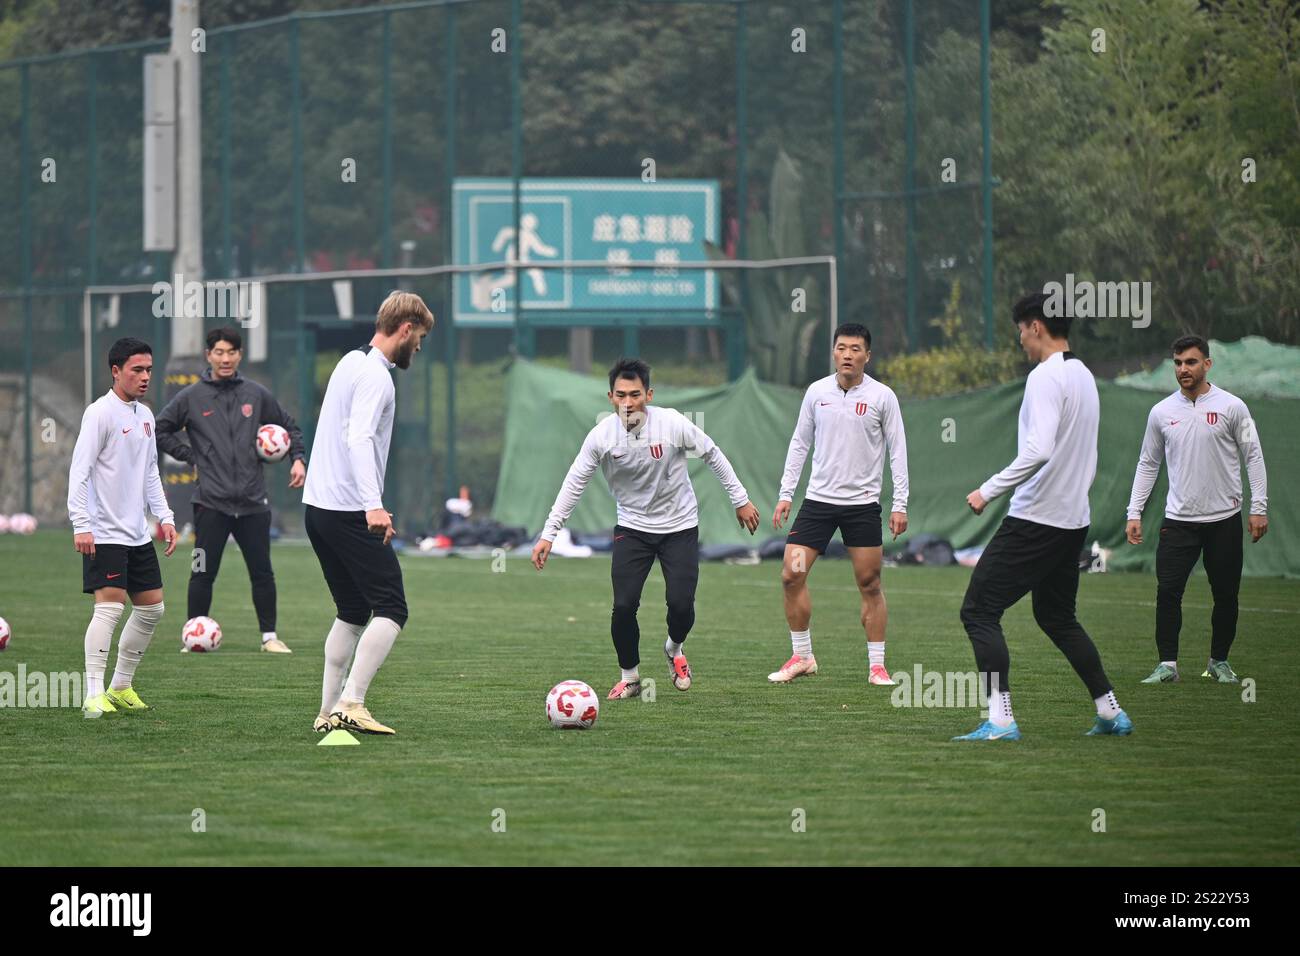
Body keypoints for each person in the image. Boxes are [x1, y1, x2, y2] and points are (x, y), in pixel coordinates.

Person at [955, 292, 1130, 740]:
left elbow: (1039, 449)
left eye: (1020, 330)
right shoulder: (1085, 375)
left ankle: (1001, 720)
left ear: (1035, 326)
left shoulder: (1045, 377)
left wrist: (988, 490)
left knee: (979, 610)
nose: (1020, 341)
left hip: (1036, 520)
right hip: (1073, 521)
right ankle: (1110, 712)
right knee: (1057, 617)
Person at [531, 358, 760, 699]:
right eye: (620, 395)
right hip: (632, 528)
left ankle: (674, 649)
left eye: (635, 394)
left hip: (679, 525)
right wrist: (549, 532)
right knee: (623, 606)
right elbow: (574, 482)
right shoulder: (601, 437)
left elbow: (712, 453)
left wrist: (740, 498)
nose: (627, 403)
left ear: (648, 395)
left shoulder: (672, 425)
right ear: (610, 397)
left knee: (680, 606)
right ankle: (631, 677)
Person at [302, 291, 434, 734]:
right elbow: (359, 438)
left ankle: (326, 713)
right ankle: (352, 702)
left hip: (318, 510)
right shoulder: (378, 376)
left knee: (352, 610)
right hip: (348, 510)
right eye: (419, 338)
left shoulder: (348, 361)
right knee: (392, 607)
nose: (418, 347)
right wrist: (372, 505)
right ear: (406, 328)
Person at [768, 322, 910, 686]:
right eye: (842, 347)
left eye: (856, 349)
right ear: (833, 352)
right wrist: (786, 494)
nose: (848, 354)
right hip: (817, 506)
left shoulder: (883, 397)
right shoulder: (816, 393)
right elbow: (799, 443)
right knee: (791, 573)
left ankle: (877, 665)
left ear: (867, 355)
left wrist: (900, 504)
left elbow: (898, 451)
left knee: (870, 583)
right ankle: (802, 656)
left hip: (862, 508)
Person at [1125, 334, 1268, 685]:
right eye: (1177, 363)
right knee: (1168, 592)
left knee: (1226, 596)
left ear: (1207, 364)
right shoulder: (1160, 412)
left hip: (1224, 520)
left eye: (1190, 362)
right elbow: (1148, 463)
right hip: (1178, 522)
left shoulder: (1234, 407)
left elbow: (1253, 456)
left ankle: (1219, 662)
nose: (1183, 369)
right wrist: (1134, 511)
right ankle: (1167, 666)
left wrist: (1259, 507)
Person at [155, 326, 306, 653]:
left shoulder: (256, 394)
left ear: (240, 355)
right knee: (202, 572)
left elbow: (289, 426)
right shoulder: (191, 397)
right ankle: (194, 634)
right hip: (210, 503)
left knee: (262, 573)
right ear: (208, 355)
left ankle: (270, 638)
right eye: (219, 352)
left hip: (253, 503)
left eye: (231, 352)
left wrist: (297, 459)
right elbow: (160, 429)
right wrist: (189, 455)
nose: (225, 359)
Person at [68, 337, 178, 716]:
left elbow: (150, 473)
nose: (145, 376)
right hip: (104, 532)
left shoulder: (145, 416)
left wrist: (165, 517)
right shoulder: (99, 413)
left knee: (152, 609)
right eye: (137, 369)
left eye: (149, 369)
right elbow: (79, 472)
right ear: (116, 371)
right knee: (110, 610)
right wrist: (81, 524)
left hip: (136, 533)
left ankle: (121, 686)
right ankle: (93, 692)